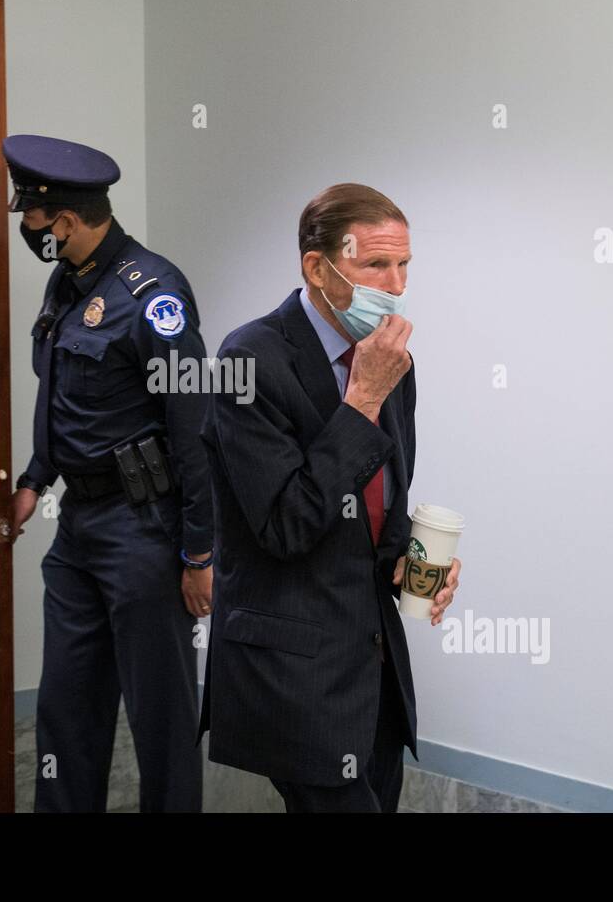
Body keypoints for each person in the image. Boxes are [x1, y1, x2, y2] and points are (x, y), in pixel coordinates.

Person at [197, 182, 462, 812]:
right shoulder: (248, 360)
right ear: (317, 267)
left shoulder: (392, 363)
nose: (395, 286)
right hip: (292, 671)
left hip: (373, 671)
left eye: (404, 266)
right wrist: (362, 397)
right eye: (375, 264)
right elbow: (286, 525)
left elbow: (381, 506)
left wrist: (411, 567)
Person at [4, 134, 213, 812]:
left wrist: (199, 551)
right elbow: (60, 396)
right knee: (66, 717)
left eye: (30, 219)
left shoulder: (155, 295)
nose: (26, 229)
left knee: (162, 725)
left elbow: (193, 429)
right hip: (79, 534)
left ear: (64, 220)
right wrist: (36, 478)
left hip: (145, 534)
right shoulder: (66, 281)